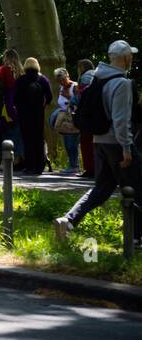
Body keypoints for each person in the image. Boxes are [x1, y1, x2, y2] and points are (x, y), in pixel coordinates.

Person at [56, 40, 140, 243]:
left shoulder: (98, 79)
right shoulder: (122, 83)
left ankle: (67, 220)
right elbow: (120, 119)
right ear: (126, 58)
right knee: (136, 189)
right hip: (117, 143)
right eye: (131, 56)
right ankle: (135, 238)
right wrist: (127, 148)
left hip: (98, 141)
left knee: (101, 189)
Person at [14, 57, 53, 176]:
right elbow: (50, 96)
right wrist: (43, 105)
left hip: (24, 114)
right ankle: (39, 166)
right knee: (38, 139)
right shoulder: (43, 79)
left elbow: (15, 98)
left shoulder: (21, 79)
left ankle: (29, 166)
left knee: (27, 140)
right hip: (38, 113)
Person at [51, 67, 81, 174]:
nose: (62, 82)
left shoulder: (75, 86)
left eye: (63, 80)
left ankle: (75, 166)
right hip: (65, 119)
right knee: (67, 144)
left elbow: (79, 101)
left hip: (73, 119)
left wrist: (68, 97)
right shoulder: (60, 88)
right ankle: (71, 165)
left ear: (67, 76)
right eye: (59, 81)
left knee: (72, 144)